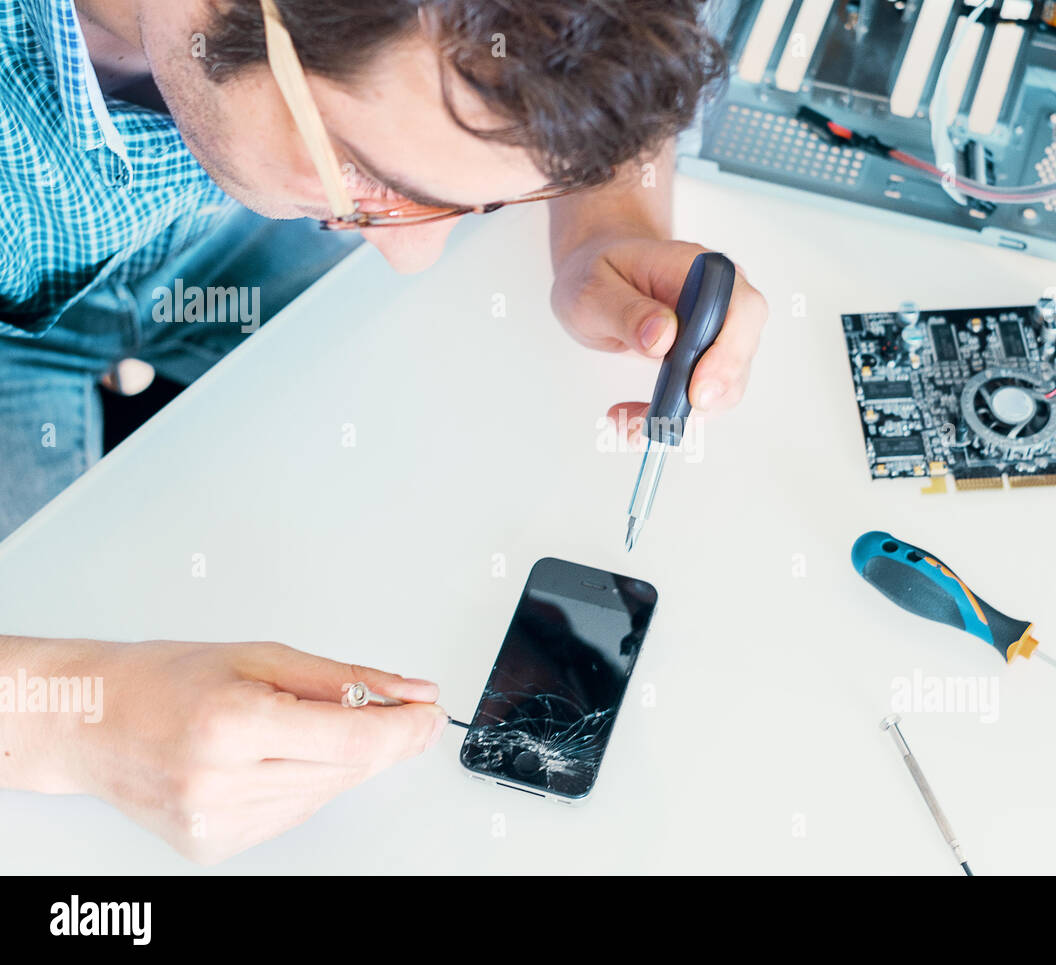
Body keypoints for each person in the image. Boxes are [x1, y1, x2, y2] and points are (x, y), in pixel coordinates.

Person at [0, 0, 767, 863]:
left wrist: (602, 221)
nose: (412, 255)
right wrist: (74, 716)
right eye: (371, 177)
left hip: (215, 243)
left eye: (460, 206)